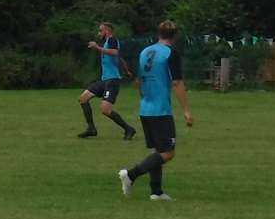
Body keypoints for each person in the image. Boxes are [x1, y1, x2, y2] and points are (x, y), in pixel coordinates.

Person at [118, 20, 194, 201]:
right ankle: (131, 175)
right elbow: (176, 82)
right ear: (175, 36)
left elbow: (138, 81)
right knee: (168, 152)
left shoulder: (145, 52)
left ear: (158, 34)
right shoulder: (170, 53)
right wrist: (187, 110)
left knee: (157, 151)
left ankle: (156, 192)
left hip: (145, 107)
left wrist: (144, 97)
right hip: (160, 110)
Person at [76, 22, 137, 141]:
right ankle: (91, 128)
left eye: (100, 31)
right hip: (104, 80)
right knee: (83, 99)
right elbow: (119, 59)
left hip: (112, 80)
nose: (99, 33)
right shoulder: (107, 44)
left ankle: (128, 129)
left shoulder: (112, 40)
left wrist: (97, 47)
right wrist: (126, 71)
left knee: (105, 110)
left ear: (107, 31)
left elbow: (115, 52)